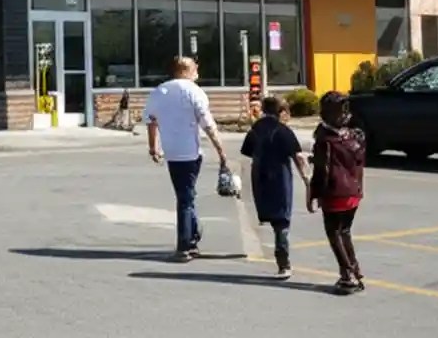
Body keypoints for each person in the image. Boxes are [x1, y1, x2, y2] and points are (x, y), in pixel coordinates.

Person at [144, 56, 229, 262]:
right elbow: (208, 124)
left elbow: (151, 121)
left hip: (172, 152)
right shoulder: (194, 91)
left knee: (186, 195)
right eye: (195, 68)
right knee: (185, 198)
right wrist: (221, 151)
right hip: (190, 152)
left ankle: (193, 236)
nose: (197, 71)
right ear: (186, 70)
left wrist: (154, 147)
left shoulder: (159, 91)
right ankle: (185, 244)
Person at [240, 94, 310, 279]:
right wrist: (306, 179)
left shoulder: (256, 129)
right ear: (281, 112)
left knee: (272, 216)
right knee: (282, 220)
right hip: (279, 177)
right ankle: (283, 262)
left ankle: (282, 258)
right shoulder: (283, 131)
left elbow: (247, 152)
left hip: (260, 176)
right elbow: (298, 157)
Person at [307, 91, 367, 294]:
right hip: (353, 190)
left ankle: (347, 274)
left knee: (334, 232)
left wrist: (314, 193)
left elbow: (322, 171)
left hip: (334, 191)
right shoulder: (354, 136)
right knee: (345, 231)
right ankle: (354, 269)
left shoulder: (325, 140)